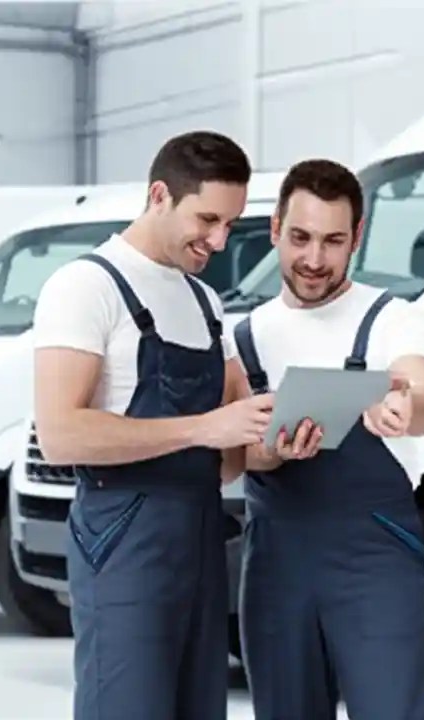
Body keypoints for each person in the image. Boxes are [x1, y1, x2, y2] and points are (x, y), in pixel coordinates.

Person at [32, 130, 275, 720]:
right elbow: (61, 434)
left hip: (199, 534)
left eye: (230, 224)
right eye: (208, 219)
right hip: (122, 537)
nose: (218, 241)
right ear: (160, 194)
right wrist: (202, 429)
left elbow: (229, 452)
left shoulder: (204, 302)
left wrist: (275, 436)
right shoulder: (85, 287)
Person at [231, 158, 424, 720]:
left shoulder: (394, 319)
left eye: (332, 240)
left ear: (358, 236)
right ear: (275, 229)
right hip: (277, 561)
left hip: (374, 557)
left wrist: (406, 402)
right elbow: (237, 452)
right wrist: (273, 451)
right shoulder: (245, 338)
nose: (314, 259)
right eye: (300, 237)